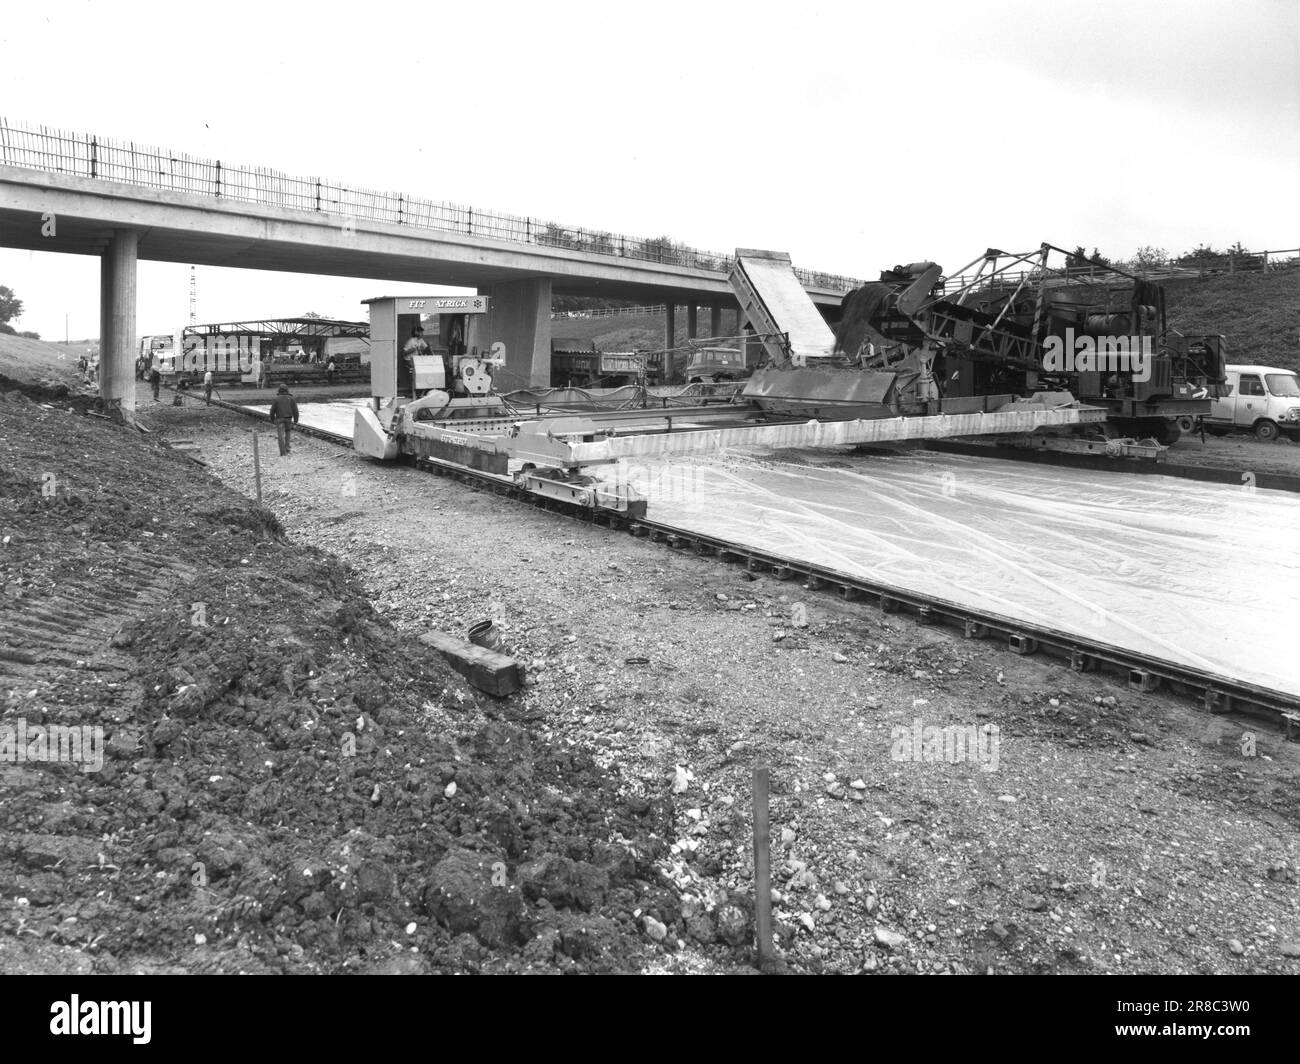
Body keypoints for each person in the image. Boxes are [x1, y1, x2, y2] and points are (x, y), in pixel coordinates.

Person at [269, 384, 300, 456]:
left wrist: (272, 419)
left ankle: (283, 453)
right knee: (288, 432)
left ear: (279, 390)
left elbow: (272, 410)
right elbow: (295, 411)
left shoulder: (276, 399)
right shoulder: (291, 399)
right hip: (289, 419)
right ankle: (287, 448)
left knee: (280, 436)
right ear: (287, 390)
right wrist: (296, 420)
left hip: (279, 419)